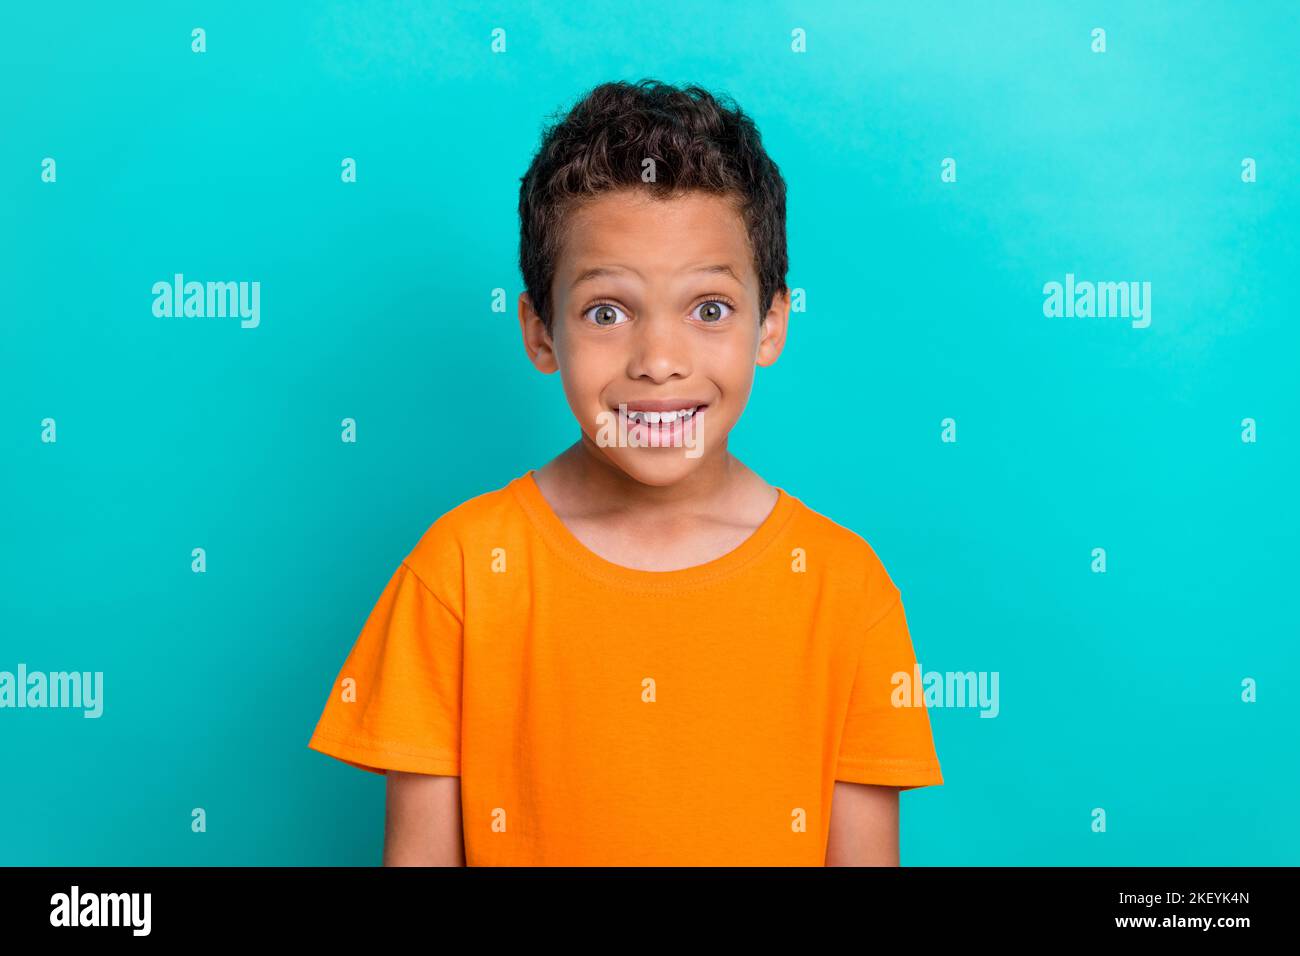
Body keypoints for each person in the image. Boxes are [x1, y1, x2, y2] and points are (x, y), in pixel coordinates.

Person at [308, 78, 942, 866]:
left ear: (770, 323)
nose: (660, 363)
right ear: (541, 334)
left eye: (709, 308)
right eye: (607, 312)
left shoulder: (847, 591)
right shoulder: (461, 572)